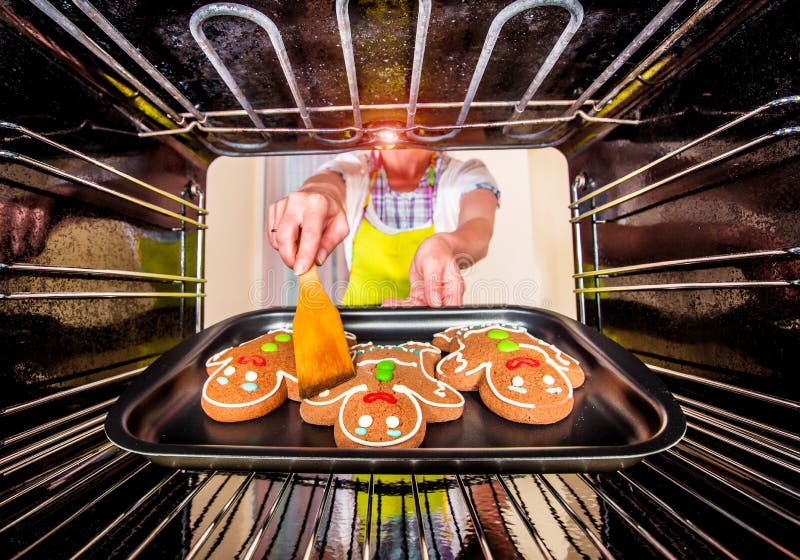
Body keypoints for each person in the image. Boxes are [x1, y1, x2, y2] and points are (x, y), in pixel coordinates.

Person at [268, 146, 499, 307]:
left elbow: (478, 227)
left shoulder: (464, 173)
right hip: (356, 326)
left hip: (431, 325)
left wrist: (445, 243)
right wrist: (317, 194)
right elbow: (328, 182)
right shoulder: (354, 167)